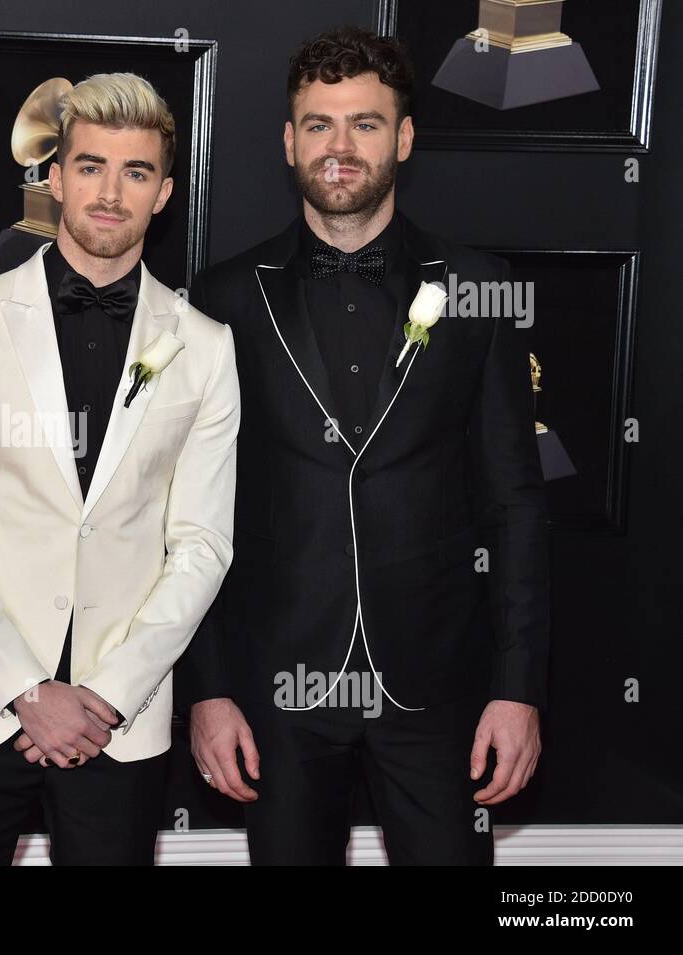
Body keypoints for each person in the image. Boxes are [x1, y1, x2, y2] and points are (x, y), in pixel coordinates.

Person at [179, 26, 549, 865]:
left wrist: (517, 689)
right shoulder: (224, 297)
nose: (339, 147)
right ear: (288, 139)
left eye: (365, 124)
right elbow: (191, 512)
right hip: (277, 692)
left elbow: (514, 504)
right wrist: (210, 692)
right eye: (318, 124)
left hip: (437, 694)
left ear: (404, 137)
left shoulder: (476, 289)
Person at [0, 72, 240, 864]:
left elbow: (202, 544)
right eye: (90, 167)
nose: (111, 193)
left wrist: (107, 696)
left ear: (164, 193)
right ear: (54, 180)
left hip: (116, 721)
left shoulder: (206, 346)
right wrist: (26, 688)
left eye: (137, 172)